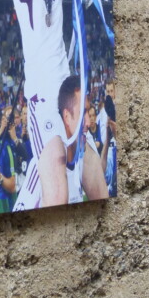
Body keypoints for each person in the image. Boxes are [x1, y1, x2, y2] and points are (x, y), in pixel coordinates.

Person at [8, 0, 72, 207]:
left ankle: (23, 203)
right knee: (58, 194)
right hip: (43, 94)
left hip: (66, 87)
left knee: (91, 179)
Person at [56, 75, 108, 203]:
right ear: (67, 117)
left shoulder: (80, 157)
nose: (88, 123)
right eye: (82, 113)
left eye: (88, 112)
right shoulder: (47, 174)